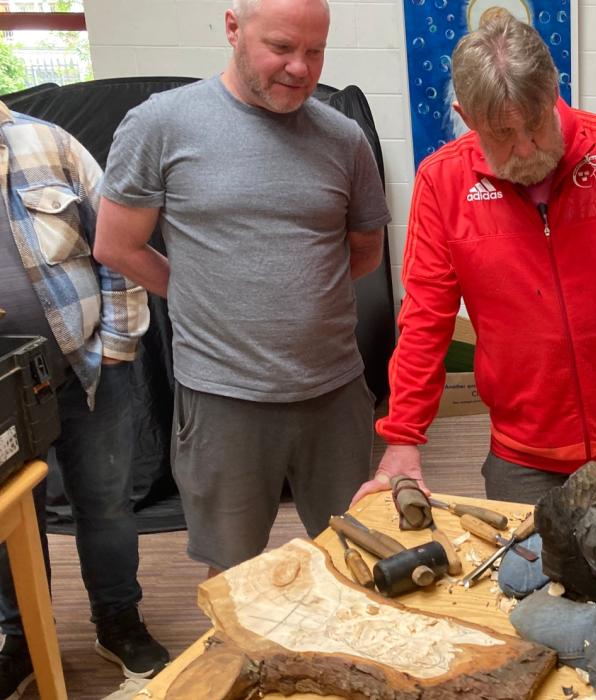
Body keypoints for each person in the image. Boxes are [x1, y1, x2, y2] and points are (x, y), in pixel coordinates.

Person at [354, 10, 596, 508]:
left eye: (537, 123)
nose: (526, 147)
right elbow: (424, 321)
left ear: (553, 88)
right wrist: (404, 436)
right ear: (466, 116)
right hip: (525, 445)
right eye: (502, 133)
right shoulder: (443, 184)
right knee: (526, 575)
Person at [93, 0, 390, 577]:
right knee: (232, 575)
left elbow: (365, 252)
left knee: (356, 559)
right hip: (223, 397)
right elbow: (116, 245)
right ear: (233, 28)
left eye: (315, 50)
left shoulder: (343, 136)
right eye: (281, 48)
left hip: (332, 392)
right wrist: (203, 292)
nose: (301, 68)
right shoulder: (161, 123)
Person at [0, 98, 167, 691]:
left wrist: (116, 345)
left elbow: (117, 243)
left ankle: (119, 623)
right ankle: (22, 637)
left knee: (107, 505)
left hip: (84, 368)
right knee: (13, 517)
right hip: (0, 397)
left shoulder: (50, 144)